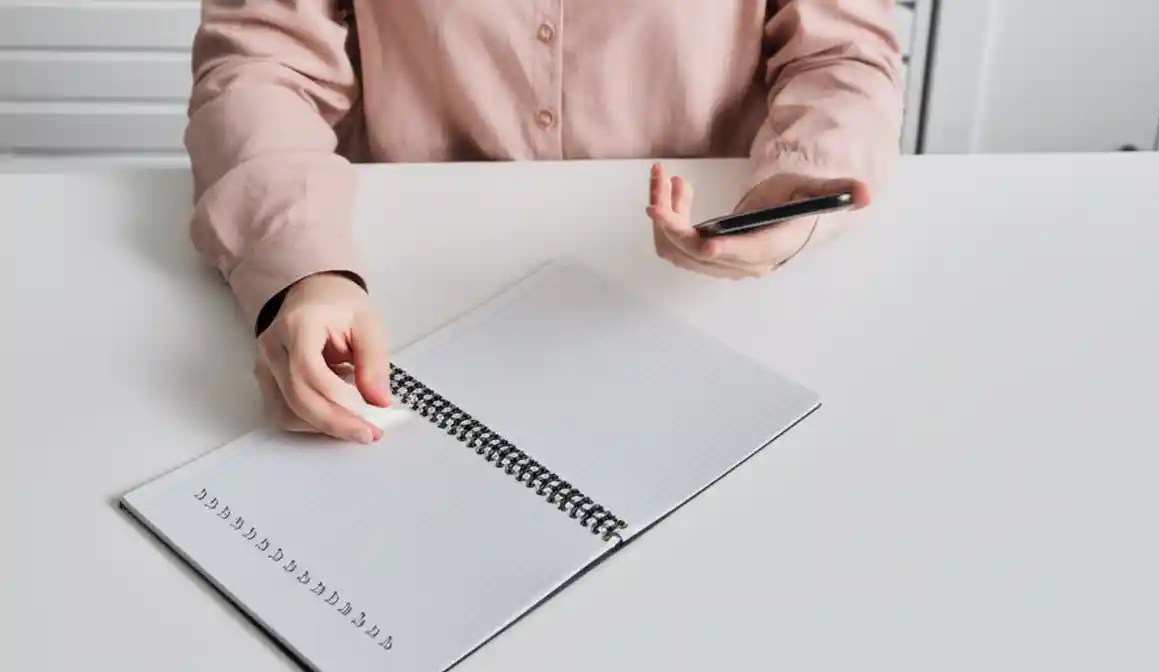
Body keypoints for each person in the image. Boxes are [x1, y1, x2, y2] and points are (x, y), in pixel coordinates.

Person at [187, 1, 904, 444]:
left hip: (715, 302)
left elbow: (842, 50)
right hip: (409, 297)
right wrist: (303, 271)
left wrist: (793, 195)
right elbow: (261, 62)